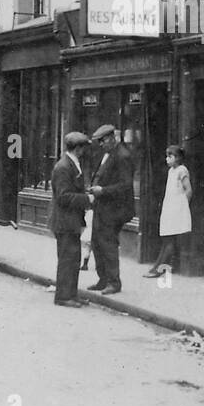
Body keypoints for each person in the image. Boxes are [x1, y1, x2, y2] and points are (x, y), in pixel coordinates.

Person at [87, 124, 134, 295]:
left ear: (112, 138)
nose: (101, 144)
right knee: (97, 243)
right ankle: (103, 279)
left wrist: (103, 191)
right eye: (99, 141)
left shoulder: (122, 156)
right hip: (102, 206)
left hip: (114, 209)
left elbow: (126, 185)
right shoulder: (108, 154)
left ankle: (114, 282)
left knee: (108, 245)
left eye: (103, 140)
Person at [50, 131, 93, 308]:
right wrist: (87, 199)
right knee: (67, 260)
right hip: (65, 221)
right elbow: (63, 197)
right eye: (83, 147)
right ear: (77, 148)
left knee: (74, 259)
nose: (84, 151)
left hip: (71, 221)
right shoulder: (63, 167)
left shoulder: (71, 164)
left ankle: (72, 295)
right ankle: (63, 297)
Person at [147, 144, 192, 277]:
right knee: (167, 239)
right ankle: (158, 267)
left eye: (169, 156)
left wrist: (182, 208)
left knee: (170, 240)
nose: (167, 159)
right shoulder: (171, 171)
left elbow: (188, 190)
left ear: (177, 158)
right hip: (169, 208)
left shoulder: (182, 170)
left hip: (176, 209)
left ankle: (159, 269)